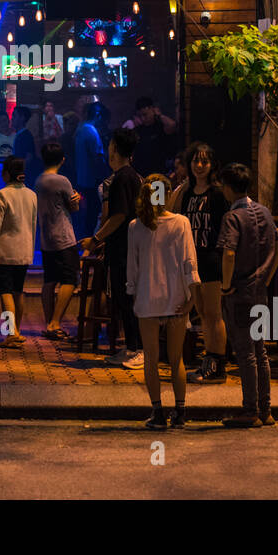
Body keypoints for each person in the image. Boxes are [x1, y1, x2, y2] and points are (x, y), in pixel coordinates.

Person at [127, 173, 199, 429]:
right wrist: (192, 299)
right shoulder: (181, 223)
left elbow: (132, 269)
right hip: (176, 298)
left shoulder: (136, 225)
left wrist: (134, 294)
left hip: (148, 299)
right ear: (168, 195)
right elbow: (190, 263)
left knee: (151, 358)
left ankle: (157, 412)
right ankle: (180, 411)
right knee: (176, 358)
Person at [219, 163, 278, 428]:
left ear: (229, 188)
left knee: (245, 352)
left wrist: (225, 286)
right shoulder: (265, 212)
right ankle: (265, 410)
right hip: (260, 292)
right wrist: (266, 277)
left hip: (240, 293)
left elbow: (229, 253)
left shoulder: (232, 218)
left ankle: (250, 410)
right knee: (260, 351)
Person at [81, 128, 144, 369]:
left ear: (114, 148)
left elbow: (118, 216)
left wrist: (95, 239)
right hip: (127, 248)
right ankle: (130, 348)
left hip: (124, 249)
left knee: (126, 299)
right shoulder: (132, 176)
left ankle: (137, 349)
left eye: (109, 145)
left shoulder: (121, 178)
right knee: (122, 298)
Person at [171, 142, 230, 383]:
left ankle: (218, 365)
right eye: (195, 161)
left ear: (212, 165)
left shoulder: (217, 194)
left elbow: (224, 227)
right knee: (202, 313)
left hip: (211, 258)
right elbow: (171, 211)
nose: (199, 166)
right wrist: (182, 186)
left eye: (204, 161)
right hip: (191, 259)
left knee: (214, 314)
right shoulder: (185, 193)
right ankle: (209, 364)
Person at [0, 156, 37, 347]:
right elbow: (33, 225)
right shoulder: (32, 194)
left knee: (5, 292)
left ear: (6, 173)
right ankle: (17, 330)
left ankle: (10, 333)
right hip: (24, 250)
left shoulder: (2, 194)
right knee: (18, 291)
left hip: (6, 251)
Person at [35, 140, 81, 339]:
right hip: (63, 236)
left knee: (50, 279)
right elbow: (74, 207)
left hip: (46, 237)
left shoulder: (38, 180)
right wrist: (77, 199)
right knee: (70, 279)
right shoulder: (61, 180)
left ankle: (49, 322)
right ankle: (55, 323)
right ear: (62, 159)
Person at [73, 102, 107, 239]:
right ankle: (91, 240)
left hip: (82, 177)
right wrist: (105, 175)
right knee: (93, 212)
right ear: (98, 116)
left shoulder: (81, 129)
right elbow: (97, 157)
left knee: (86, 212)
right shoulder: (91, 131)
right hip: (92, 179)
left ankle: (85, 237)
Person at [124, 97, 176, 176]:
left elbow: (172, 125)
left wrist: (159, 115)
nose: (143, 118)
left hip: (158, 173)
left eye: (145, 114)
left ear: (152, 109)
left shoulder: (160, 127)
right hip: (140, 174)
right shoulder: (137, 130)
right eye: (140, 116)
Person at [12, 107, 42, 186]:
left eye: (14, 116)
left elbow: (29, 157)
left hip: (25, 178)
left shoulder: (25, 136)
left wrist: (18, 172)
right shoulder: (20, 135)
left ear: (22, 118)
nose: (12, 118)